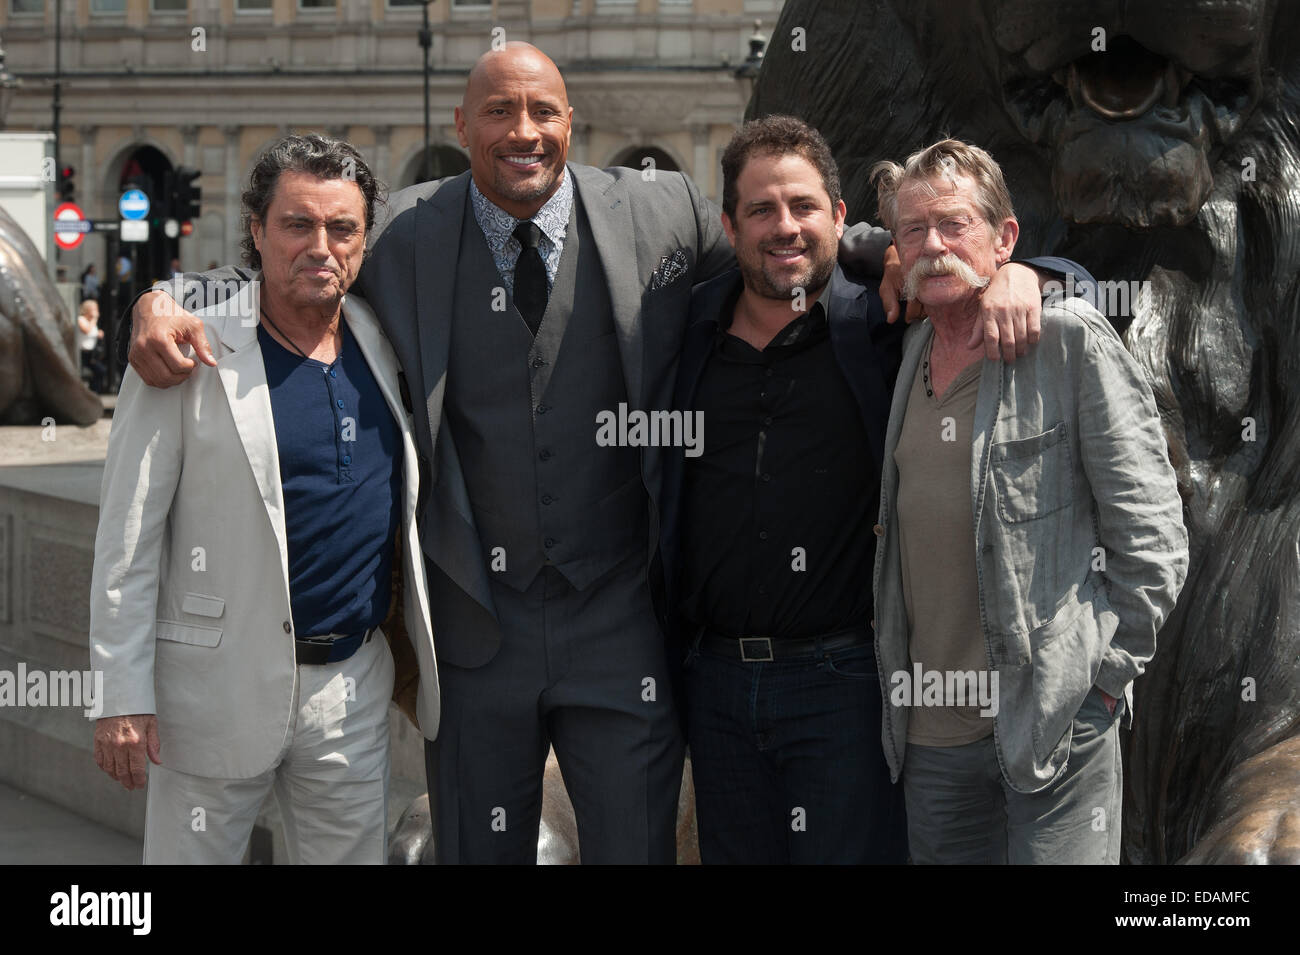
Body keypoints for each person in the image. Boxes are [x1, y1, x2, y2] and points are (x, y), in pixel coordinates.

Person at [123, 45, 1052, 864]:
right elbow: (292, 264)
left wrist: (926, 255)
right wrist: (168, 301)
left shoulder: (663, 215)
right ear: (461, 125)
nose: (522, 131)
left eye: (541, 112)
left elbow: (786, 237)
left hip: (622, 625)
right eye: (498, 111)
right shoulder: (402, 230)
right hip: (475, 630)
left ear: (573, 123)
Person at [661, 117, 1096, 864]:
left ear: (839, 217)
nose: (785, 227)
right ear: (729, 226)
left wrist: (1030, 274)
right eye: (761, 211)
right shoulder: (688, 327)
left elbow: (1038, 281)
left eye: (803, 207)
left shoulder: (885, 321)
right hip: (716, 684)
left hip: (845, 684)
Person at [90, 135, 440, 865]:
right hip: (211, 692)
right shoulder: (189, 347)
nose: (321, 245)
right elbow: (128, 534)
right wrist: (120, 693)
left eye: (342, 228)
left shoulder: (380, 338)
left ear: (363, 239)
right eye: (297, 224)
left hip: (351, 688)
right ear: (257, 230)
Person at [869, 139, 1188, 864]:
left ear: (1005, 238)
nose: (933, 245)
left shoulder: (1067, 339)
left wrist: (1101, 689)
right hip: (932, 738)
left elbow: (1154, 539)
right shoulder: (912, 353)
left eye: (954, 225)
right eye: (913, 230)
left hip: (1053, 729)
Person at [77, 299, 106, 393]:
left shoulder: (92, 322)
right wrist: (94, 319)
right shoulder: (81, 319)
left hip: (92, 353)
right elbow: (86, 330)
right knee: (83, 373)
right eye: (94, 309)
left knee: (100, 370)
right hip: (82, 353)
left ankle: (94, 391)